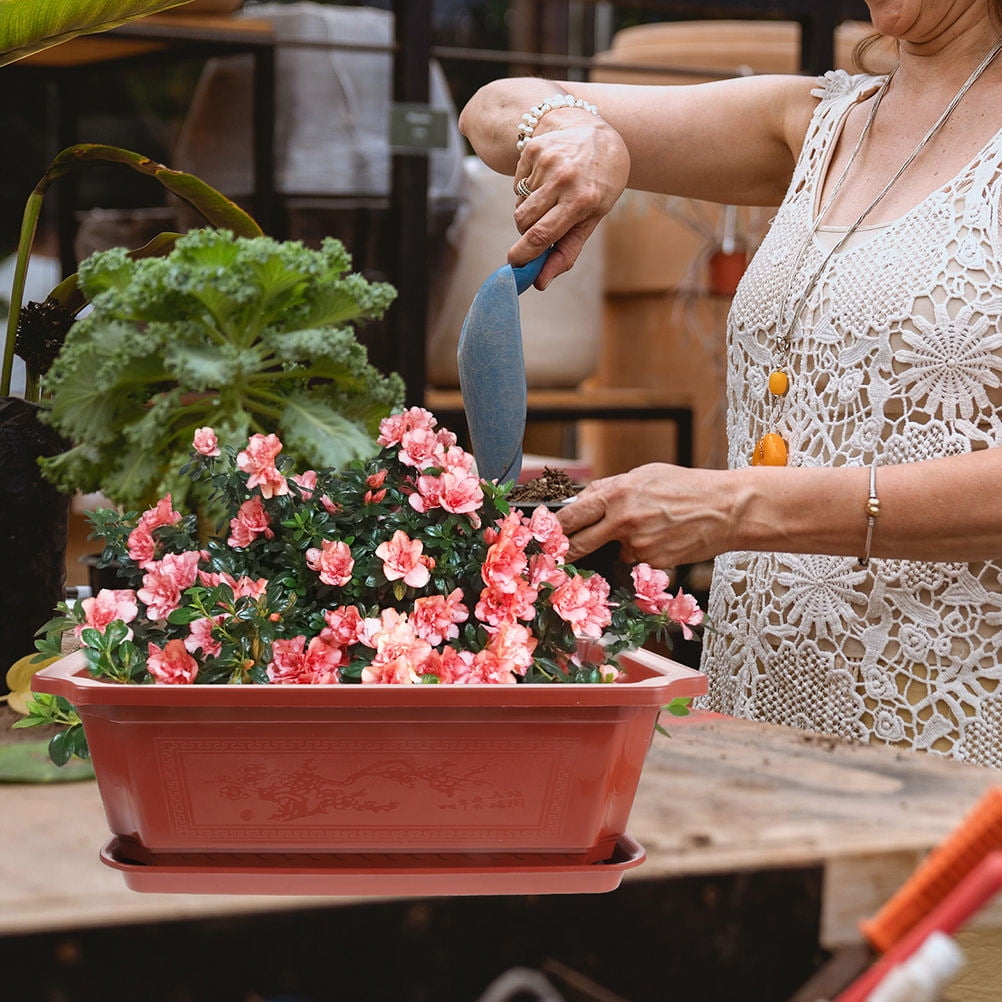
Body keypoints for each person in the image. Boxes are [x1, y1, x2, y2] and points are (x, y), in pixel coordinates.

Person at [458, 0, 1002, 768]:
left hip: (957, 724)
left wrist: (739, 506)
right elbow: (492, 108)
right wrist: (576, 129)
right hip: (764, 711)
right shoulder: (814, 121)